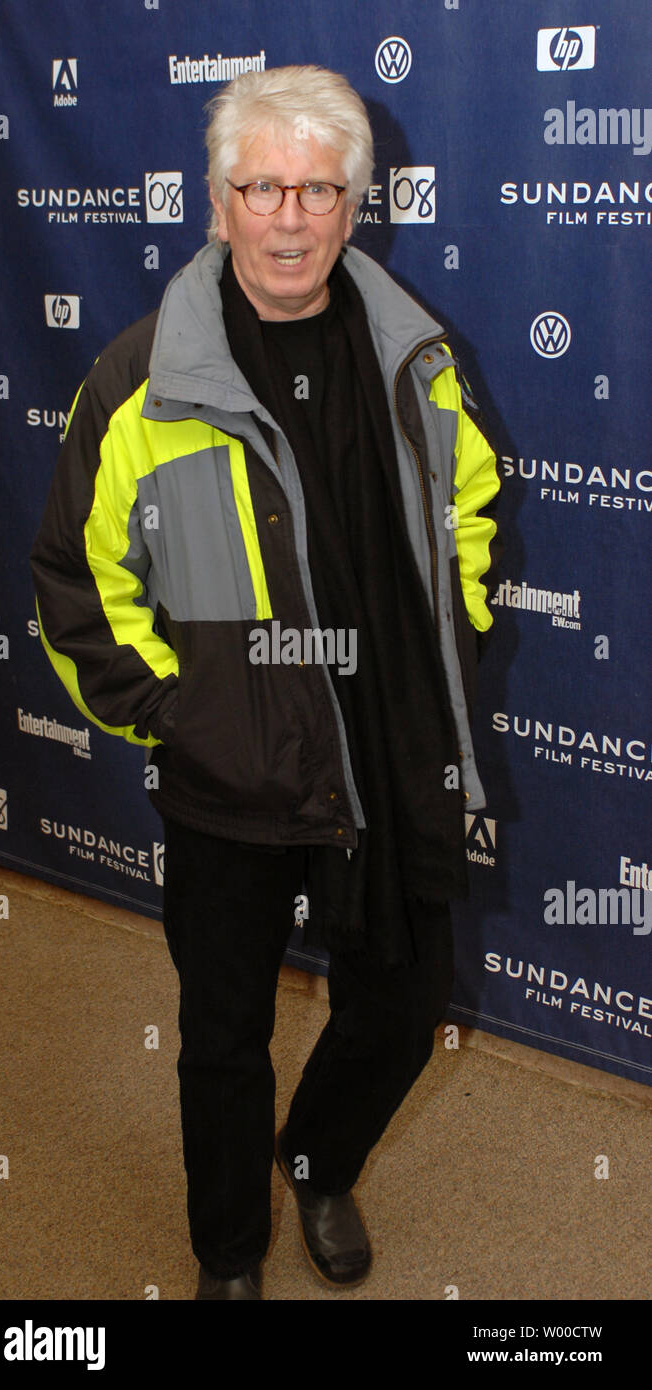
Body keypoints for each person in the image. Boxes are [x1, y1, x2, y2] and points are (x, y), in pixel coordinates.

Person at [30, 64, 501, 1301]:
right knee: (223, 1037)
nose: (288, 215)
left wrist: (449, 632)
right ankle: (227, 1252)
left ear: (354, 204)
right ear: (217, 200)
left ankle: (317, 1158)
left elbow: (468, 512)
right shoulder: (140, 380)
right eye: (260, 186)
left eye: (316, 187)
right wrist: (179, 716)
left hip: (386, 758)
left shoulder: (417, 361)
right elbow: (76, 585)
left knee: (402, 1009)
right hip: (229, 781)